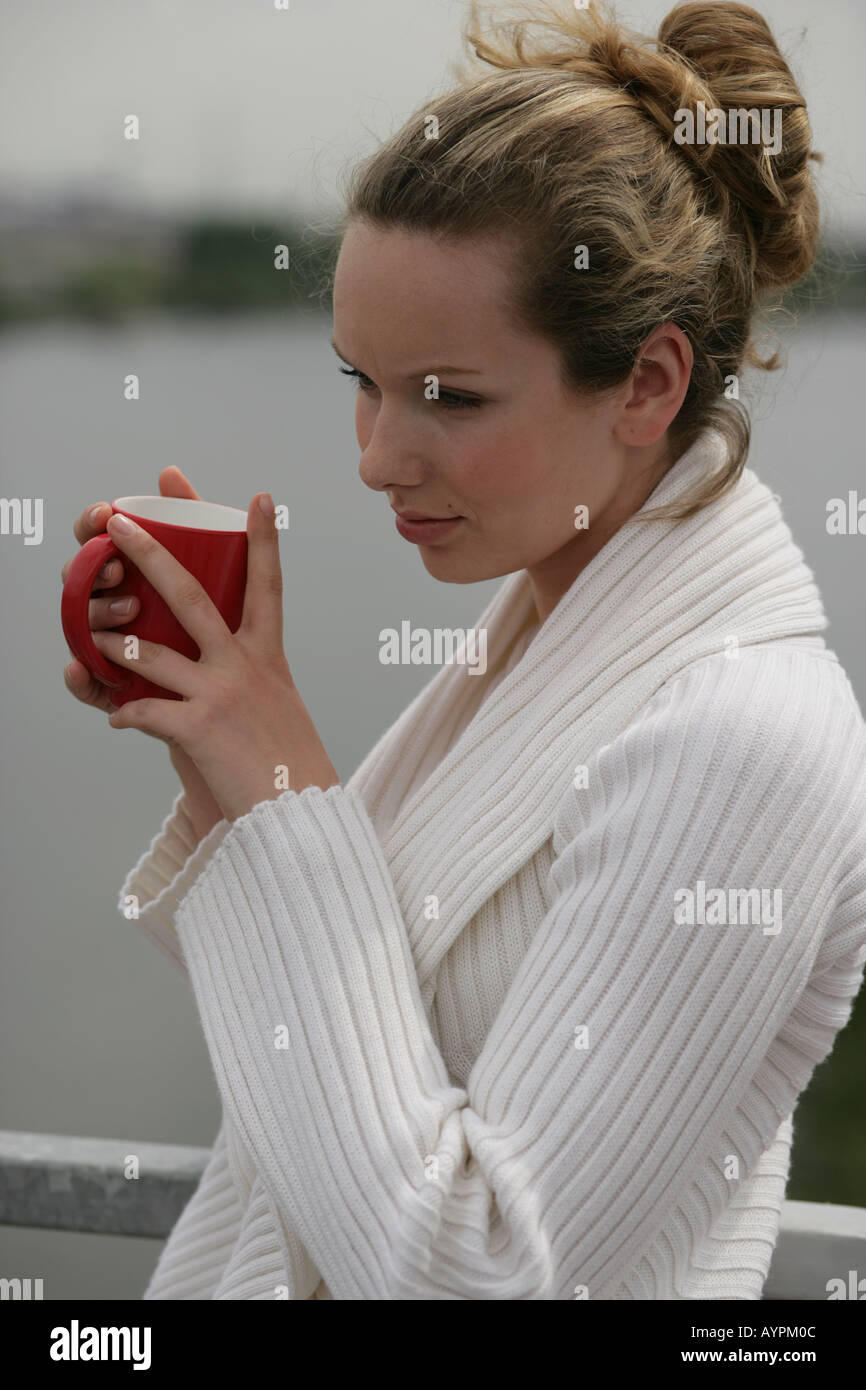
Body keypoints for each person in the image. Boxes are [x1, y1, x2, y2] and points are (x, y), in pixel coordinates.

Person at [62, 0, 866, 1299]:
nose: (377, 457)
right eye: (360, 381)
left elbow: (479, 1267)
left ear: (648, 384)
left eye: (448, 396)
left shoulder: (740, 735)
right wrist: (217, 739)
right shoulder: (556, 631)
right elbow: (368, 1038)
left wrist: (286, 792)